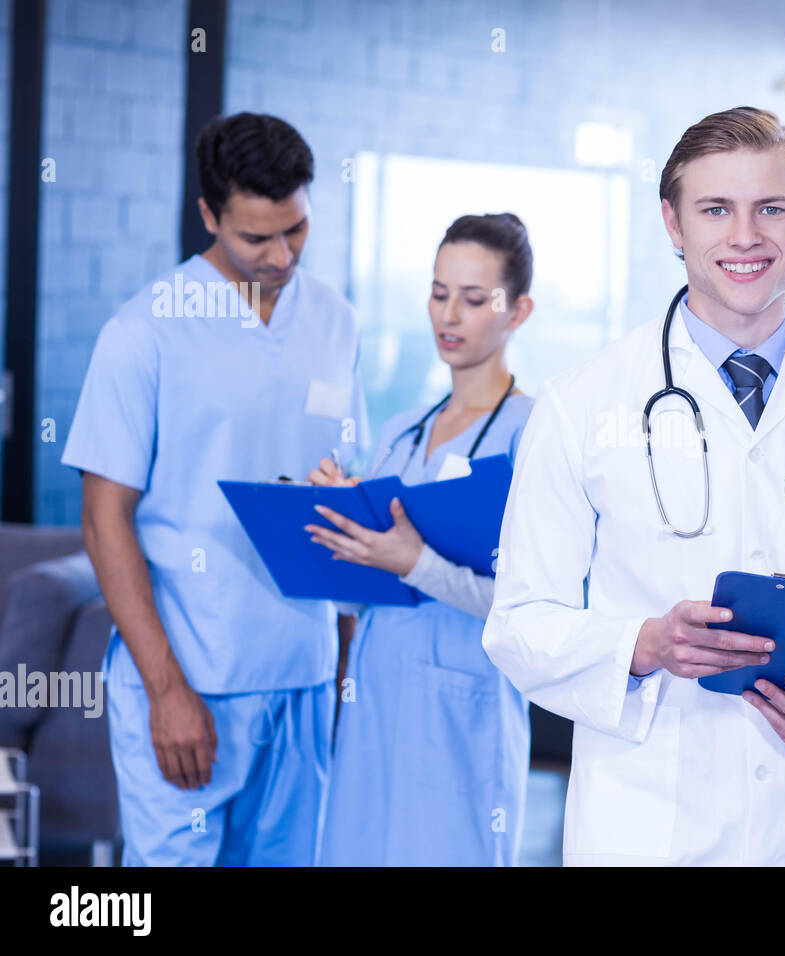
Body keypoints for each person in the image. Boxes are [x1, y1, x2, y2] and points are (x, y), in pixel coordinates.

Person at [482, 107, 785, 866]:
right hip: (647, 822)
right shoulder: (583, 402)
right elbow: (519, 622)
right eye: (716, 209)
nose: (744, 236)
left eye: (771, 209)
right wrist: (644, 644)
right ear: (673, 223)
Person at [62, 113, 368, 865]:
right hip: (189, 675)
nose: (281, 256)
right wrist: (166, 691)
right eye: (255, 238)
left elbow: (344, 479)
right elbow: (106, 521)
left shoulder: (334, 319)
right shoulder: (144, 332)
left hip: (301, 669)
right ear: (207, 216)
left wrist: (344, 657)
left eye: (295, 231)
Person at [306, 213, 535, 866]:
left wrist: (416, 562)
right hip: (375, 698)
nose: (449, 316)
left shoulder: (534, 434)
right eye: (439, 293)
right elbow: (358, 596)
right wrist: (337, 525)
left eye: (472, 298)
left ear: (518, 310)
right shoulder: (400, 434)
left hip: (467, 711)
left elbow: (539, 608)